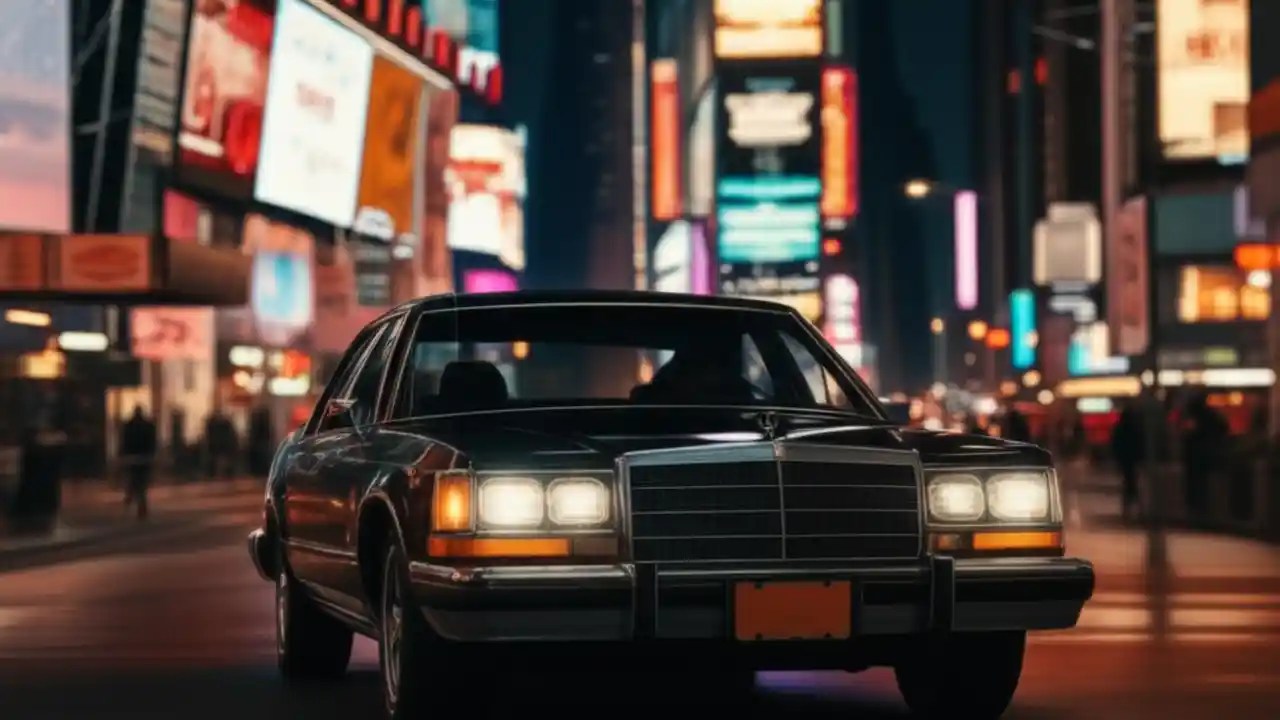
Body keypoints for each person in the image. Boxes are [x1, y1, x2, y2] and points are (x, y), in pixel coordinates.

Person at [1110, 401, 1146, 522]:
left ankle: (1129, 509)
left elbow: (1116, 444)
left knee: (1128, 484)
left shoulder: (1120, 428)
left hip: (1125, 459)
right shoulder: (1136, 428)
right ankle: (1136, 509)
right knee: (1133, 484)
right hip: (1133, 459)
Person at [119, 407, 158, 520]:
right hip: (145, 458)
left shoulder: (128, 425)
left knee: (132, 479)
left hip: (132, 457)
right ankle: (141, 505)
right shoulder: (148, 426)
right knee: (142, 483)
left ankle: (130, 496)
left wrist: (123, 455)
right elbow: (152, 442)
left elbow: (124, 441)